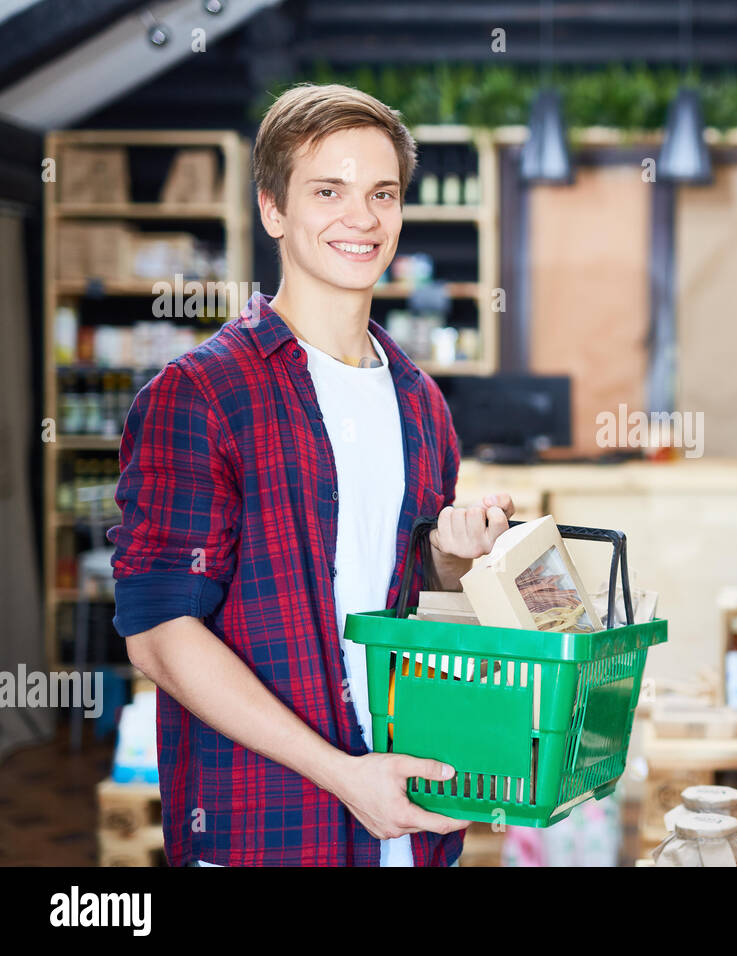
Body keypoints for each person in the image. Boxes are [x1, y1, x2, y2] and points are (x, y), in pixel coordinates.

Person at [108, 84, 514, 867]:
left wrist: (453, 561)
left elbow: (402, 598)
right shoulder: (202, 394)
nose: (361, 218)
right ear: (274, 211)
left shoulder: (421, 401)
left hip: (414, 822)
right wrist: (343, 776)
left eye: (382, 194)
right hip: (273, 830)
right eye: (328, 191)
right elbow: (159, 636)